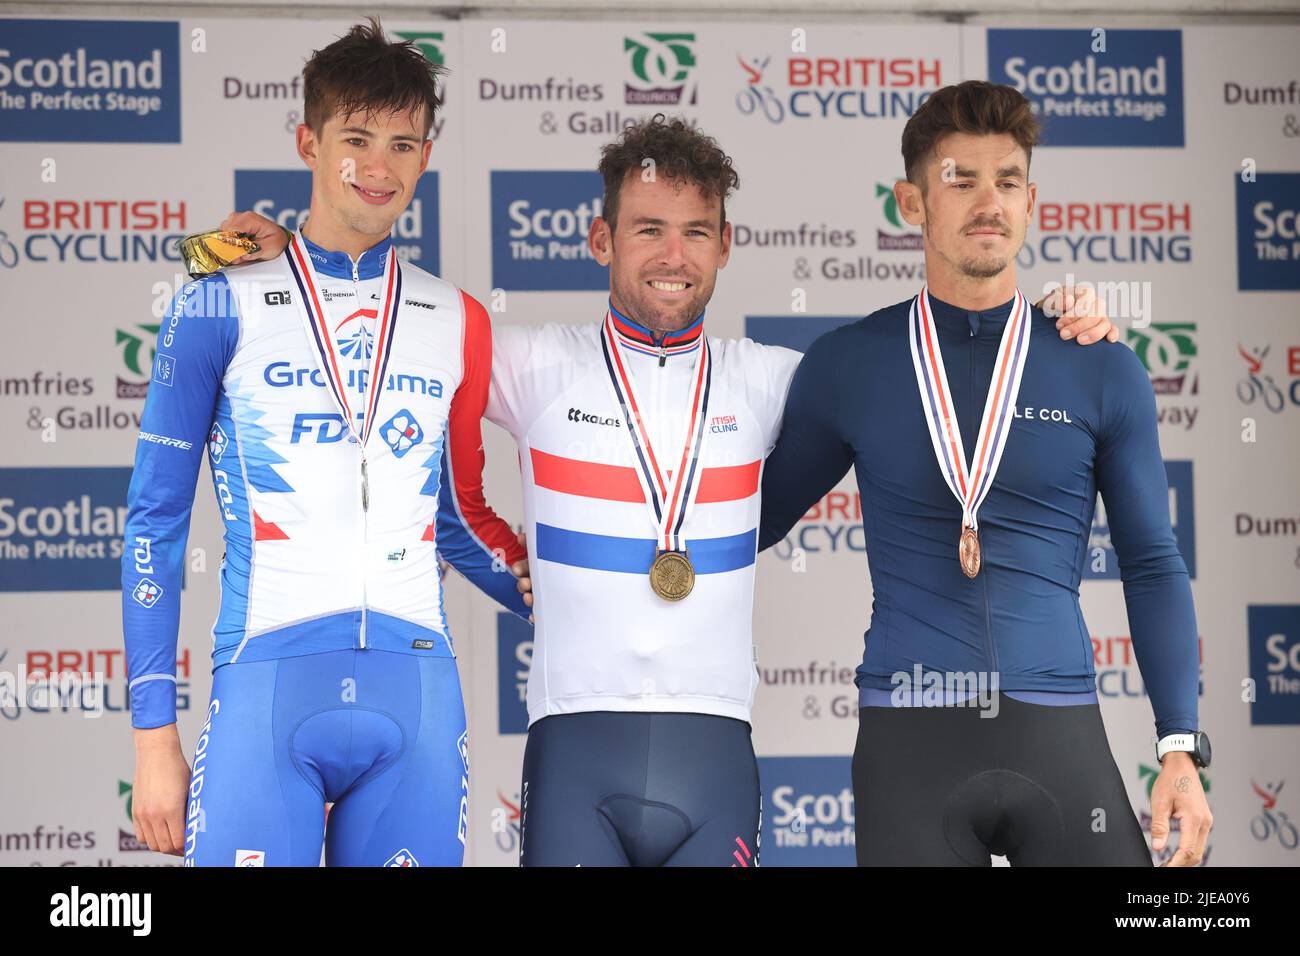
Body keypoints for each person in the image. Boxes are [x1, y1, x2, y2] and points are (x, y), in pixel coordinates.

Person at [226, 115, 1115, 866]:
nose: (672, 256)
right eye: (647, 229)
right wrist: (283, 253)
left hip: (714, 753)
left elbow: (922, 376)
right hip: (575, 746)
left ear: (726, 245)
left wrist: (1058, 321)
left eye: (696, 231)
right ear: (601, 238)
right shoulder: (534, 363)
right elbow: (394, 319)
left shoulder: (772, 379)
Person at [758, 80, 1212, 866]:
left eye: (1006, 181)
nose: (987, 202)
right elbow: (751, 520)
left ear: (1031, 200)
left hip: (1059, 728)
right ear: (911, 201)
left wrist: (1179, 746)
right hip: (911, 737)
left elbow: (1151, 562)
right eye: (958, 179)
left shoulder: (1097, 364)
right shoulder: (850, 364)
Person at [123, 19, 528, 868]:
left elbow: (457, 518)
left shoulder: (458, 320)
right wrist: (152, 737)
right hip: (267, 681)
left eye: (402, 143)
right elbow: (154, 522)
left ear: (427, 154)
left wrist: (566, 586)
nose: (379, 167)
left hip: (416, 691)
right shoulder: (217, 301)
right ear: (308, 141)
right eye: (356, 139)